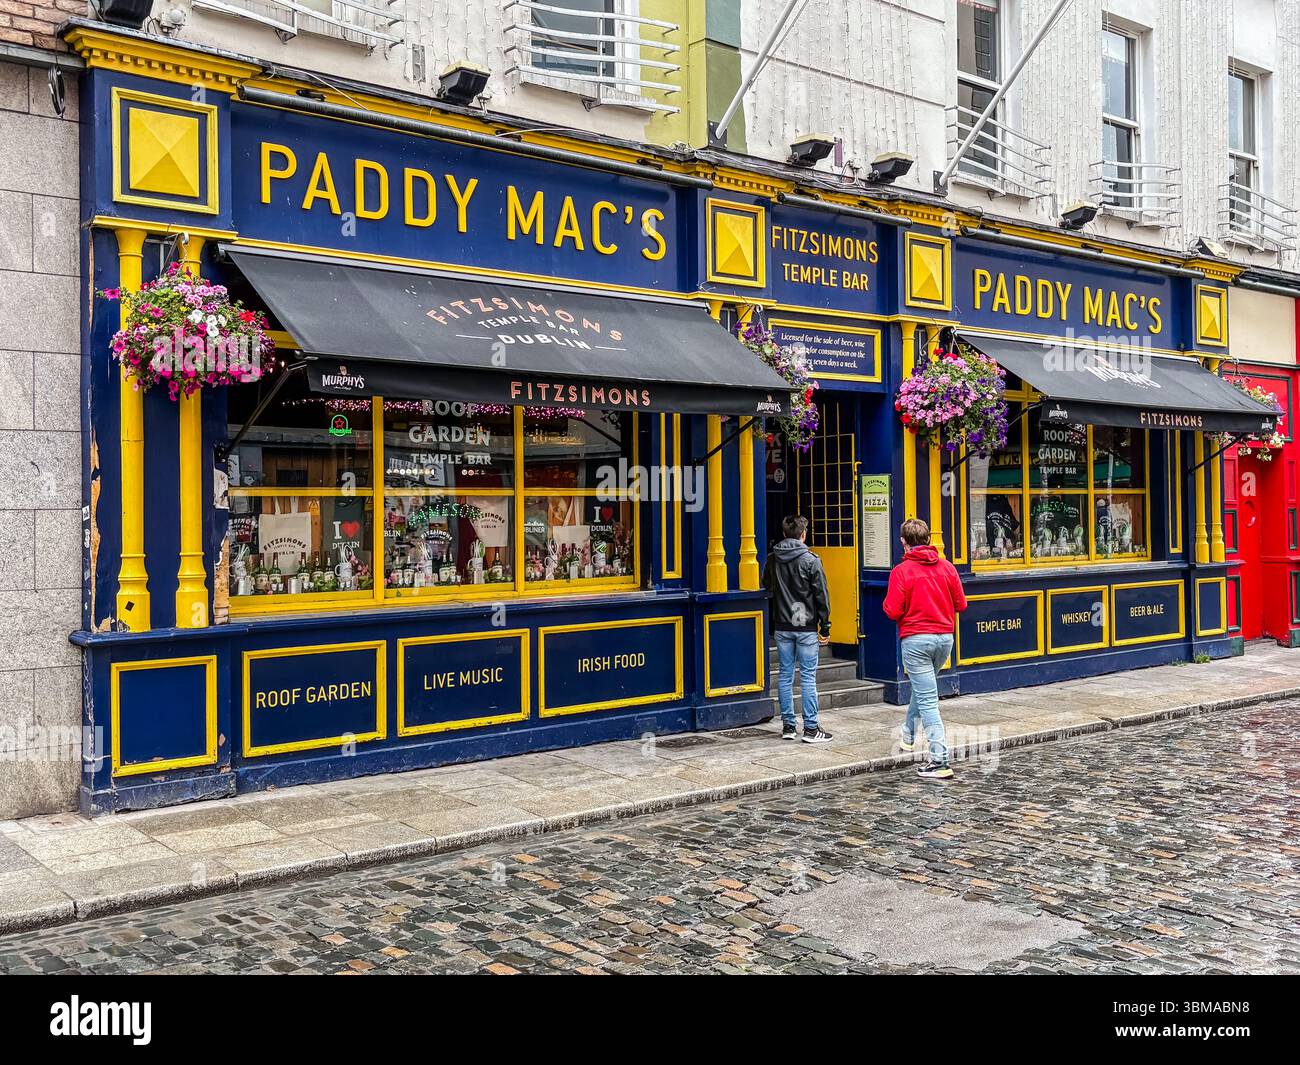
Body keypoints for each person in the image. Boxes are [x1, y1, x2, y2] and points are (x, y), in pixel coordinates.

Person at [882, 518, 967, 779]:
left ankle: (939, 760)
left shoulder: (901, 571)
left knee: (928, 698)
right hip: (944, 638)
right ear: (929, 540)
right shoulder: (948, 568)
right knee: (924, 690)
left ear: (903, 542)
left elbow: (892, 609)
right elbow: (961, 604)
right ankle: (907, 737)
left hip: (916, 640)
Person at [763, 515, 833, 744]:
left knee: (785, 676)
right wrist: (825, 625)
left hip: (782, 625)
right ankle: (811, 728)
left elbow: (767, 585)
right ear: (804, 534)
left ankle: (788, 726)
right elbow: (821, 595)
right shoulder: (811, 560)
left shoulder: (773, 559)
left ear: (784, 534)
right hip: (805, 626)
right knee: (808, 677)